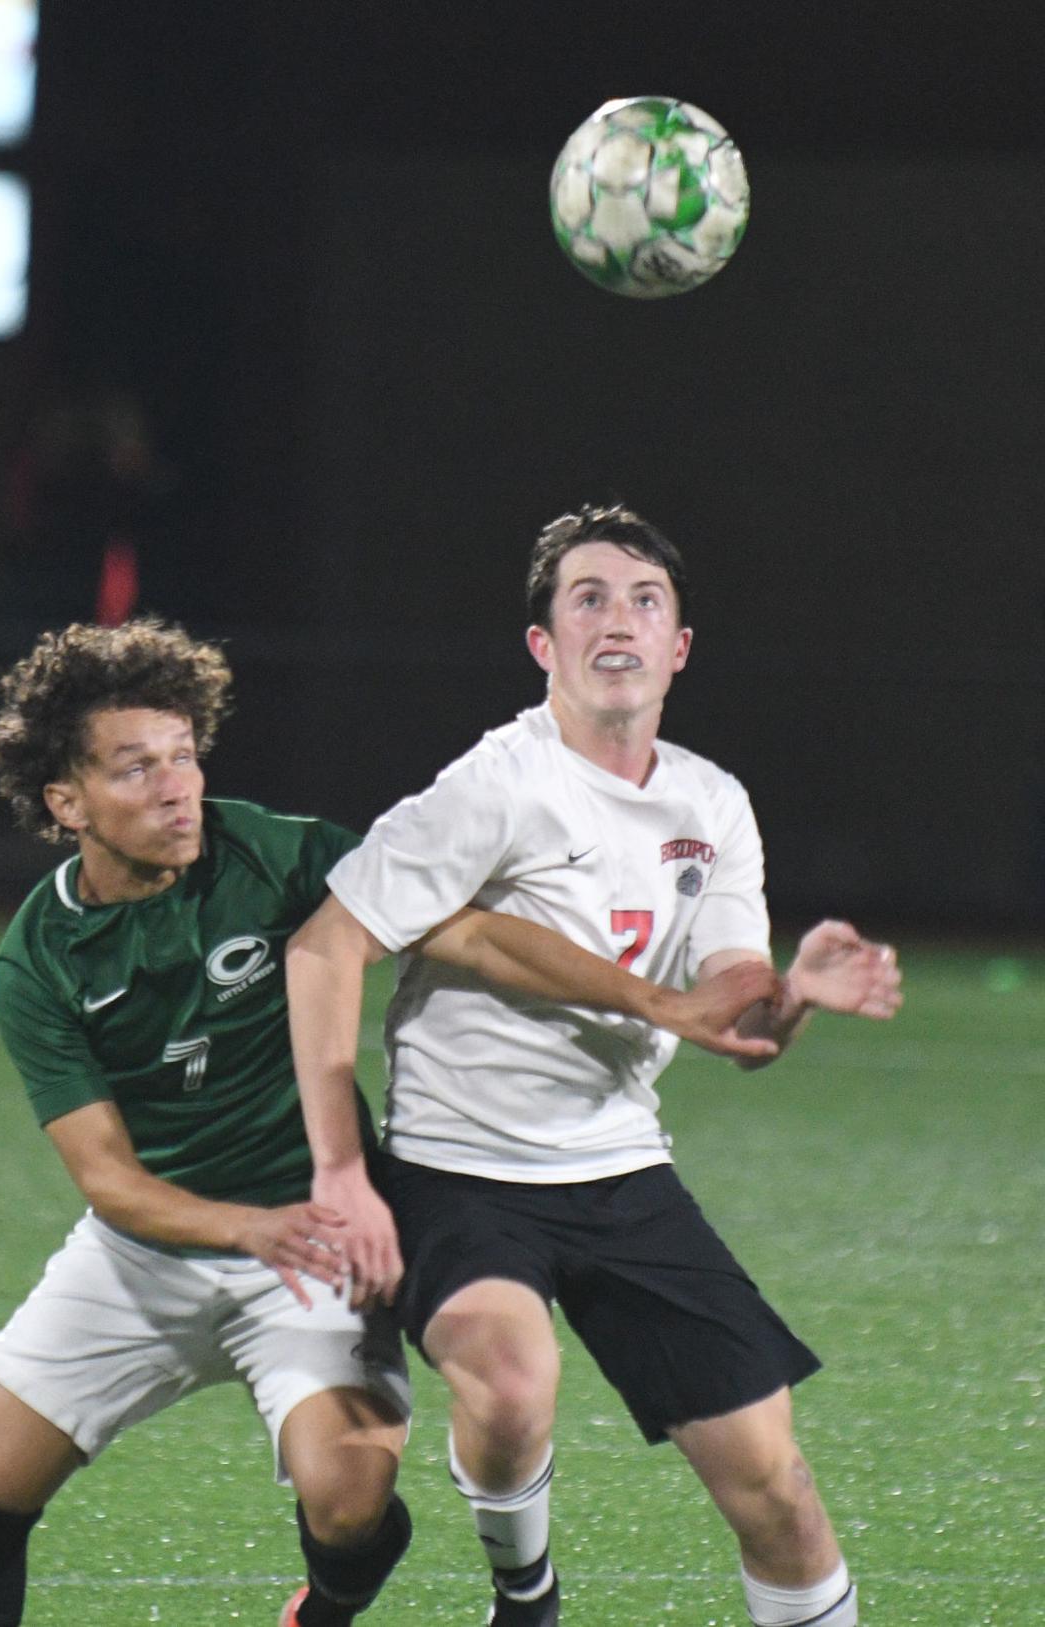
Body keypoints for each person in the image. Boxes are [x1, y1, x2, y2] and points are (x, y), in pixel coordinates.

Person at [0, 615, 782, 1627]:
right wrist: (251, 1227)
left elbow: (473, 934)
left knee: (348, 1502)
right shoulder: (38, 960)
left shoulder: (273, 856)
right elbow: (109, 1180)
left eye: (184, 755)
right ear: (66, 801)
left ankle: (326, 1607)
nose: (175, 786)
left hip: (316, 1249)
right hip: (144, 1254)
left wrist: (660, 1002)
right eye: (135, 768)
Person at [286, 504, 903, 1627]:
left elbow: (739, 1024)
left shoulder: (712, 803)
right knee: (513, 1383)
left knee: (775, 1484)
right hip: (458, 1169)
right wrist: (341, 1168)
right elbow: (326, 945)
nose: (618, 619)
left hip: (620, 1169)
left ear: (680, 646)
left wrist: (794, 996)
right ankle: (526, 1593)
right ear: (544, 643)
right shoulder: (495, 784)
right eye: (589, 598)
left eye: (644, 601)